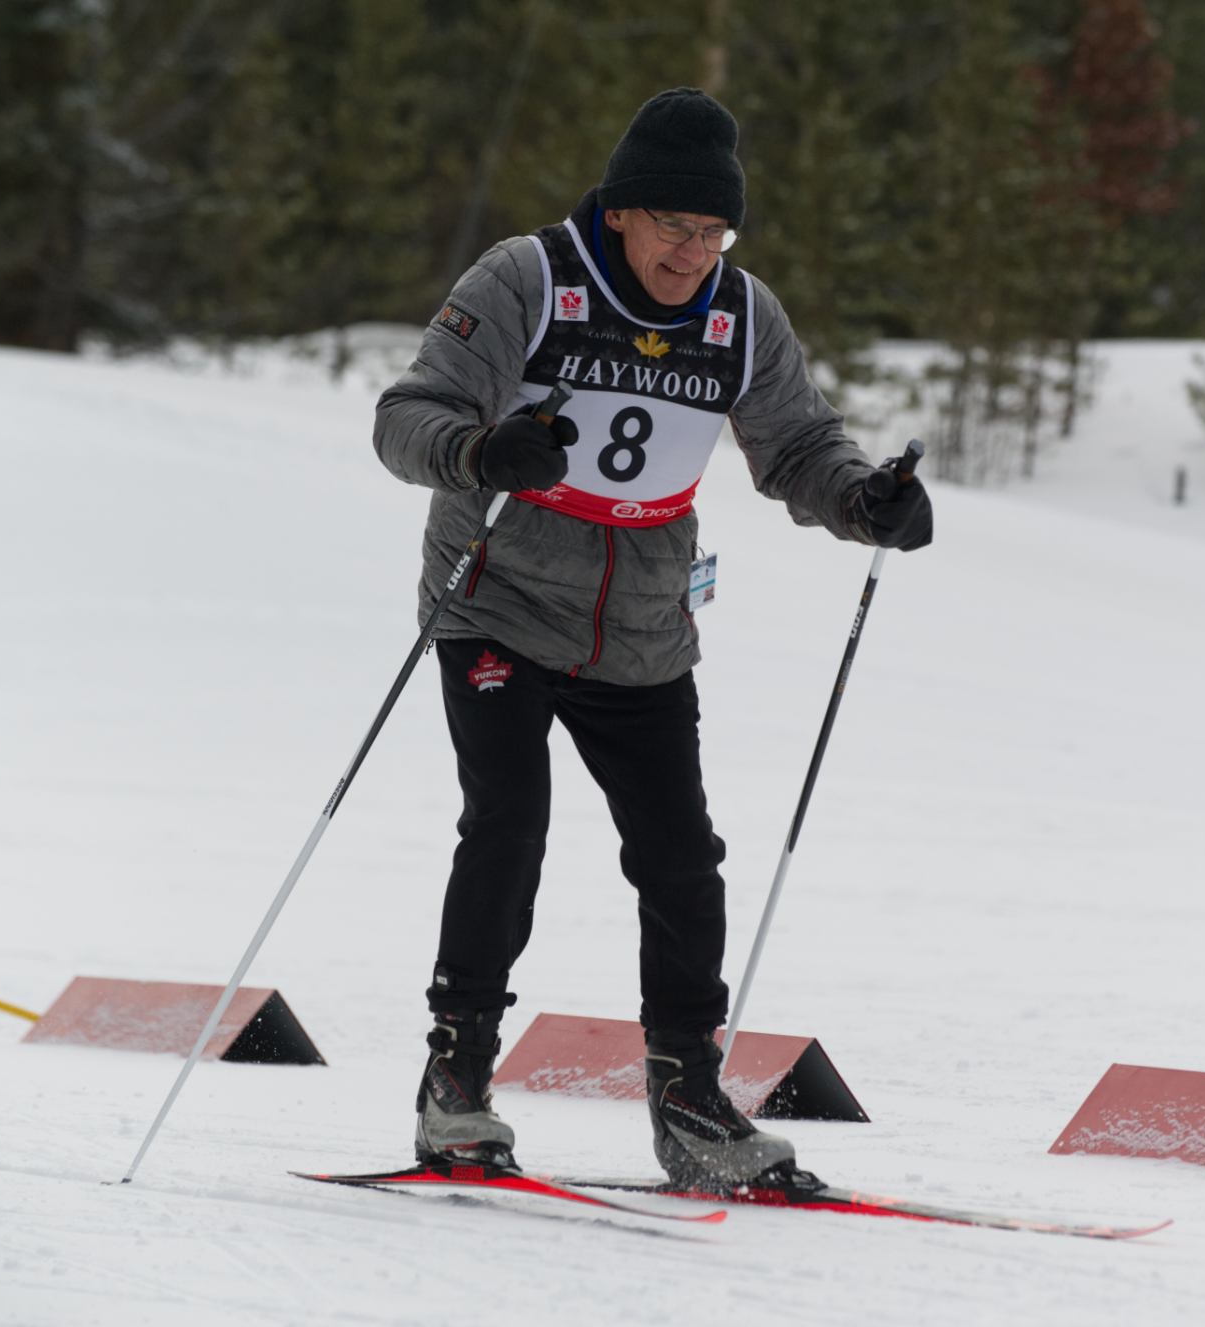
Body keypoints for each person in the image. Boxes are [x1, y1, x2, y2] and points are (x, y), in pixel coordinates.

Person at [372, 87, 932, 1190]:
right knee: (507, 827)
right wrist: (484, 451)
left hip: (641, 622)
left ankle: (688, 1094)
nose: (693, 253)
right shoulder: (527, 278)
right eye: (673, 227)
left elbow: (797, 443)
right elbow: (406, 417)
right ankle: (457, 1080)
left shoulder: (739, 313)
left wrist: (865, 500)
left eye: (714, 230)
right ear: (622, 214)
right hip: (498, 598)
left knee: (681, 857)